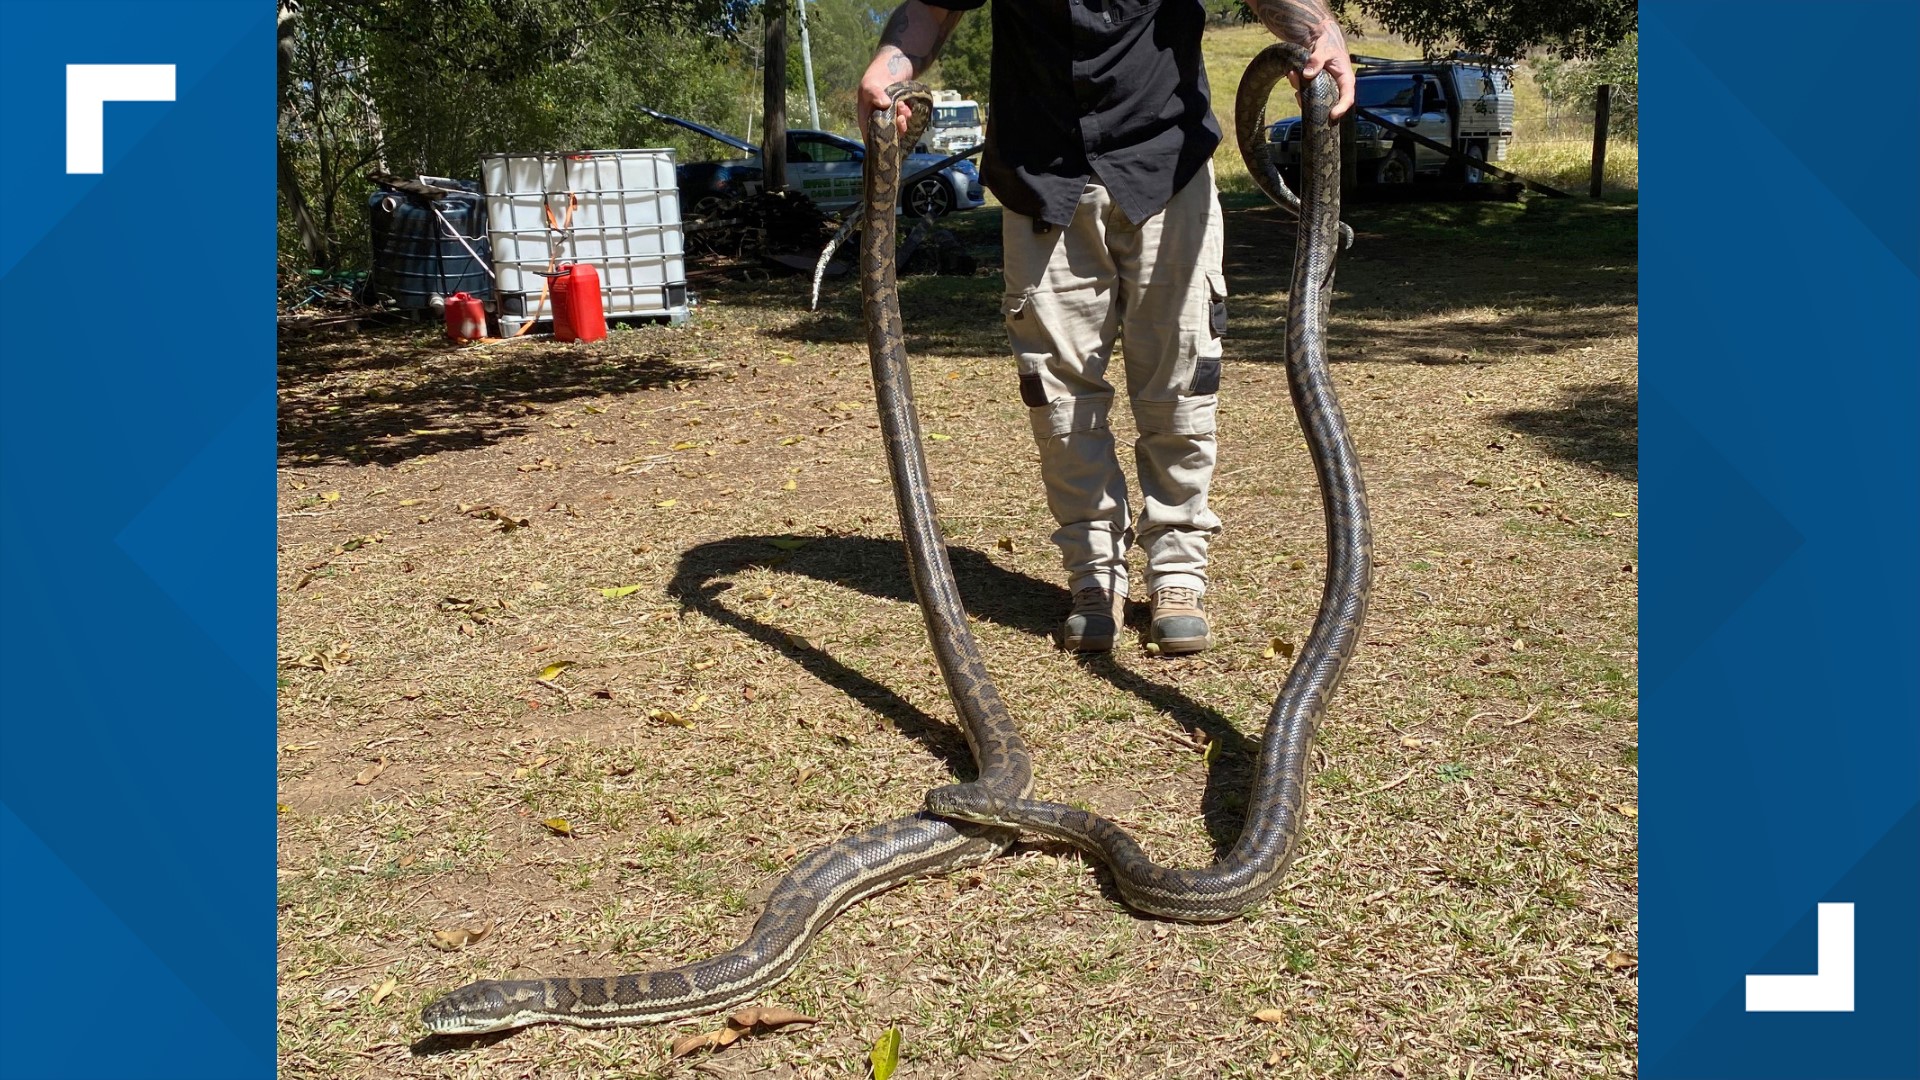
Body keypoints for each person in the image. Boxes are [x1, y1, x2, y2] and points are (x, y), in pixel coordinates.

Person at [859, 1, 1353, 654]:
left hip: (1167, 165)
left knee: (1182, 377)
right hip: (1041, 175)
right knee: (1057, 394)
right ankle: (1094, 575)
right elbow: (933, 8)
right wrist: (890, 68)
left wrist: (1320, 36)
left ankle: (1178, 571)